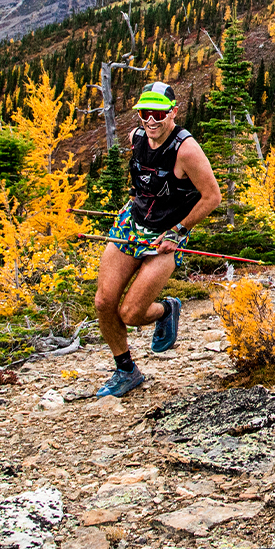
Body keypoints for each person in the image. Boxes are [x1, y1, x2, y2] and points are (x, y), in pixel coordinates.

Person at [93, 82, 221, 397]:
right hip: (132, 223)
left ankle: (166, 309)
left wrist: (178, 232)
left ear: (173, 112)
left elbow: (212, 197)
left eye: (159, 113)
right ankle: (126, 370)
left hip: (167, 234)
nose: (151, 120)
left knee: (131, 314)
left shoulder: (186, 150)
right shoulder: (136, 138)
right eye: (145, 113)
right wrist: (134, 199)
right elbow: (141, 179)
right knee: (104, 302)